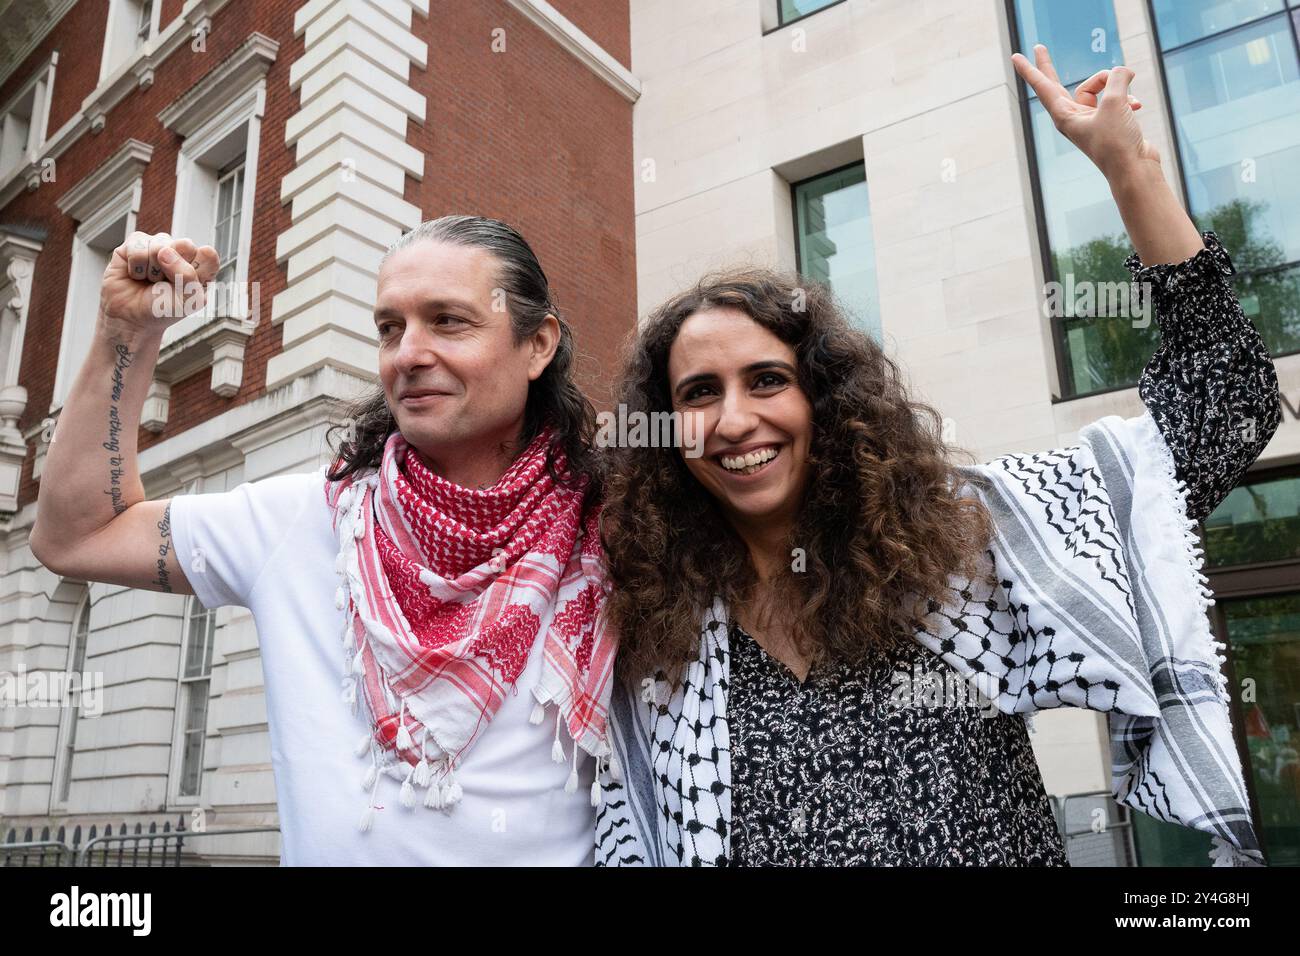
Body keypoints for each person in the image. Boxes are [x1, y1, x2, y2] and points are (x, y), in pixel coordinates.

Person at [593, 47, 1283, 866]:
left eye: (768, 379)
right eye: (699, 393)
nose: (735, 419)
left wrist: (1129, 171)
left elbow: (1226, 407)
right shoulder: (652, 633)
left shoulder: (961, 547)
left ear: (825, 398)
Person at [31, 215, 617, 865]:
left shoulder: (614, 536)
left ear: (537, 345)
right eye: (390, 327)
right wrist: (124, 333)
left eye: (448, 320)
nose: (409, 354)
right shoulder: (304, 520)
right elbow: (77, 536)